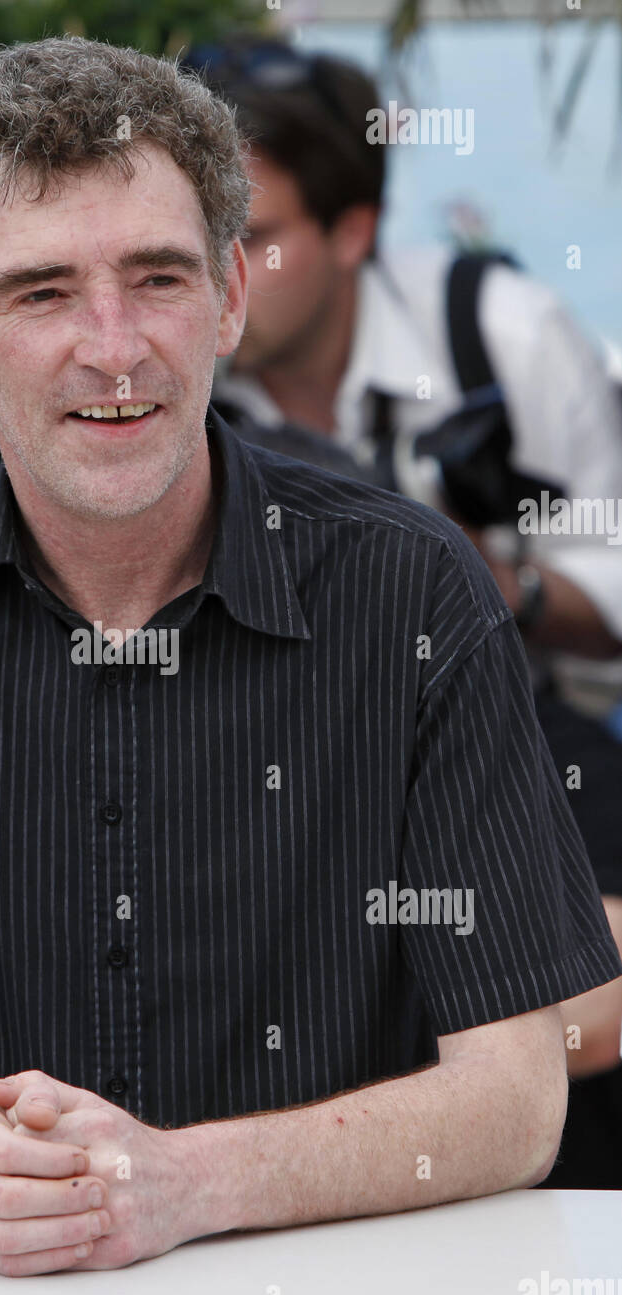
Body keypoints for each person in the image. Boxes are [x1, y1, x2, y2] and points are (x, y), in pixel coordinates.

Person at [0, 36, 621, 1278]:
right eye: (41, 292)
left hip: (342, 1277)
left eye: (157, 278)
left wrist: (184, 1183)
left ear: (229, 296)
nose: (114, 348)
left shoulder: (413, 588)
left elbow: (516, 1098)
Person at [192, 38, 622, 1140]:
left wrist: (494, 584)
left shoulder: (500, 330)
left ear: (354, 230)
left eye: (257, 237)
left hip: (542, 751)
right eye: (192, 238)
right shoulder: (156, 378)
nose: (212, 275)